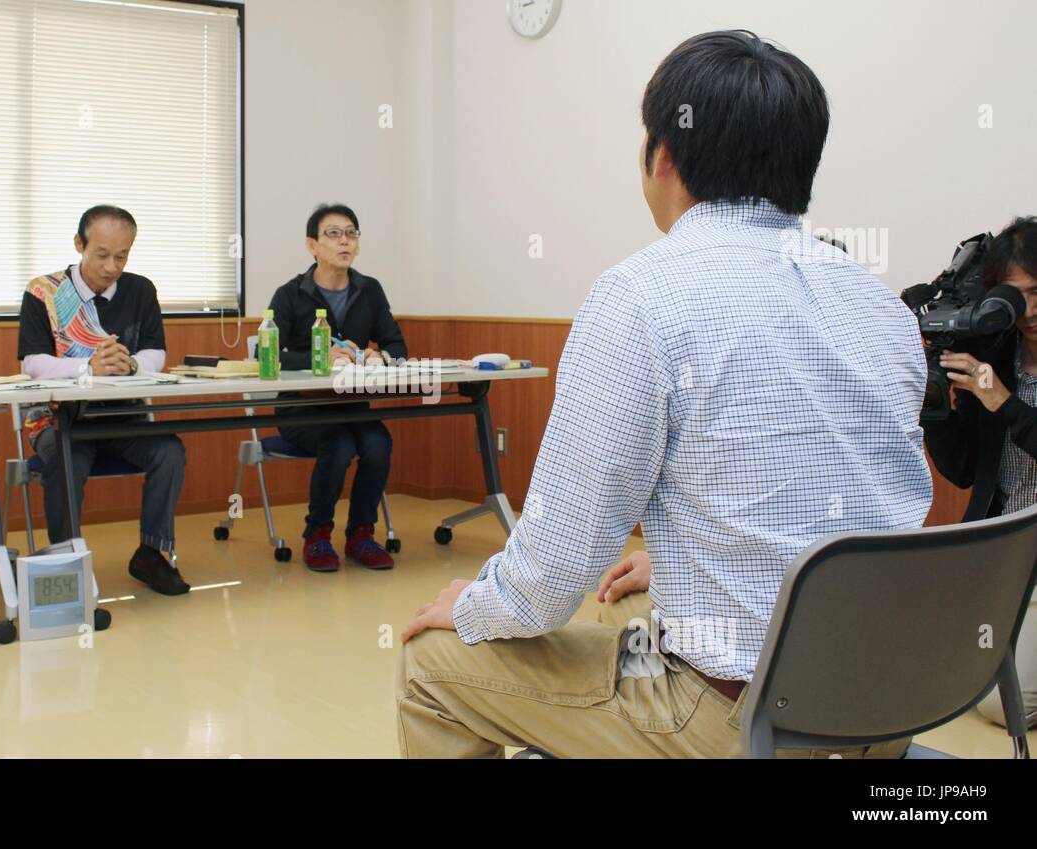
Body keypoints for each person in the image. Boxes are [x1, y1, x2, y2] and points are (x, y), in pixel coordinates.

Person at [396, 30, 934, 758]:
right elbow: (848, 498)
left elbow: (553, 572)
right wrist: (687, 560)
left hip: (747, 727)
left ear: (663, 157)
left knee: (430, 660)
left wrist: (475, 604)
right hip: (884, 710)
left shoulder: (640, 295)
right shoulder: (879, 305)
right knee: (632, 600)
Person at [17, 205, 190, 595]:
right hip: (59, 419)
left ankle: (151, 553)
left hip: (122, 418)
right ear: (79, 244)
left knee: (169, 453)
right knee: (68, 459)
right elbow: (33, 363)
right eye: (102, 254)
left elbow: (156, 354)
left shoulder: (140, 290)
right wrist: (88, 368)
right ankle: (67, 562)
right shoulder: (44, 291)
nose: (112, 266)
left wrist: (129, 365)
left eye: (122, 256)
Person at [923, 215, 1037, 729]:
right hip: (1003, 549)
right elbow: (966, 471)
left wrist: (1003, 402)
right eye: (1016, 297)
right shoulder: (995, 353)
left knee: (1001, 706)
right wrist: (935, 411)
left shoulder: (998, 380)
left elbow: (1008, 411)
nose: (1030, 310)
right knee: (931, 668)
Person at [267, 204, 406, 572]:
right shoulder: (290, 294)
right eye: (333, 233)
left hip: (351, 405)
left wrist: (380, 357)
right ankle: (317, 534)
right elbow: (269, 355)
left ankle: (361, 534)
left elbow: (397, 346)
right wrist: (318, 359)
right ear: (312, 245)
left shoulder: (370, 290)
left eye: (351, 233)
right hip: (300, 409)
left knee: (378, 443)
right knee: (339, 444)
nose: (344, 241)